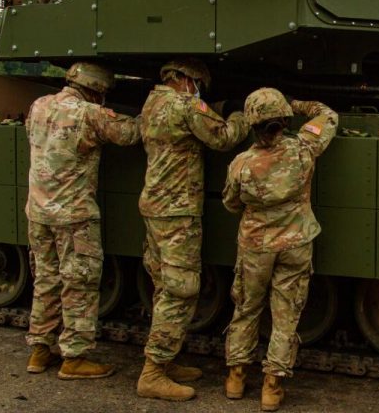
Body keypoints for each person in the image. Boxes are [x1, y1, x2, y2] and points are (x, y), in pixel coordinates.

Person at [136, 58, 249, 401]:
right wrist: (241, 115)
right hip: (177, 211)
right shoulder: (185, 104)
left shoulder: (152, 101)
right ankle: (153, 373)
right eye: (199, 85)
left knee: (163, 285)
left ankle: (165, 362)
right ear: (187, 80)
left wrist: (210, 108)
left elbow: (197, 115)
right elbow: (224, 136)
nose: (199, 91)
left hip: (156, 205)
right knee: (181, 289)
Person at [222, 88, 338, 412]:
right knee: (286, 316)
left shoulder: (241, 164)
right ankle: (272, 388)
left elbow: (231, 203)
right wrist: (298, 103)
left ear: (252, 124)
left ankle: (236, 378)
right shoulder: (303, 148)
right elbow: (329, 115)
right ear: (284, 120)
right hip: (296, 244)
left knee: (246, 309)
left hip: (255, 247)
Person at [25, 62, 140, 379]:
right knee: (80, 284)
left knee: (47, 280)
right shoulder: (90, 114)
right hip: (73, 217)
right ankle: (74, 358)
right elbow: (130, 133)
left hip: (38, 211)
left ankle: (40, 350)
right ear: (97, 90)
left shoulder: (38, 106)